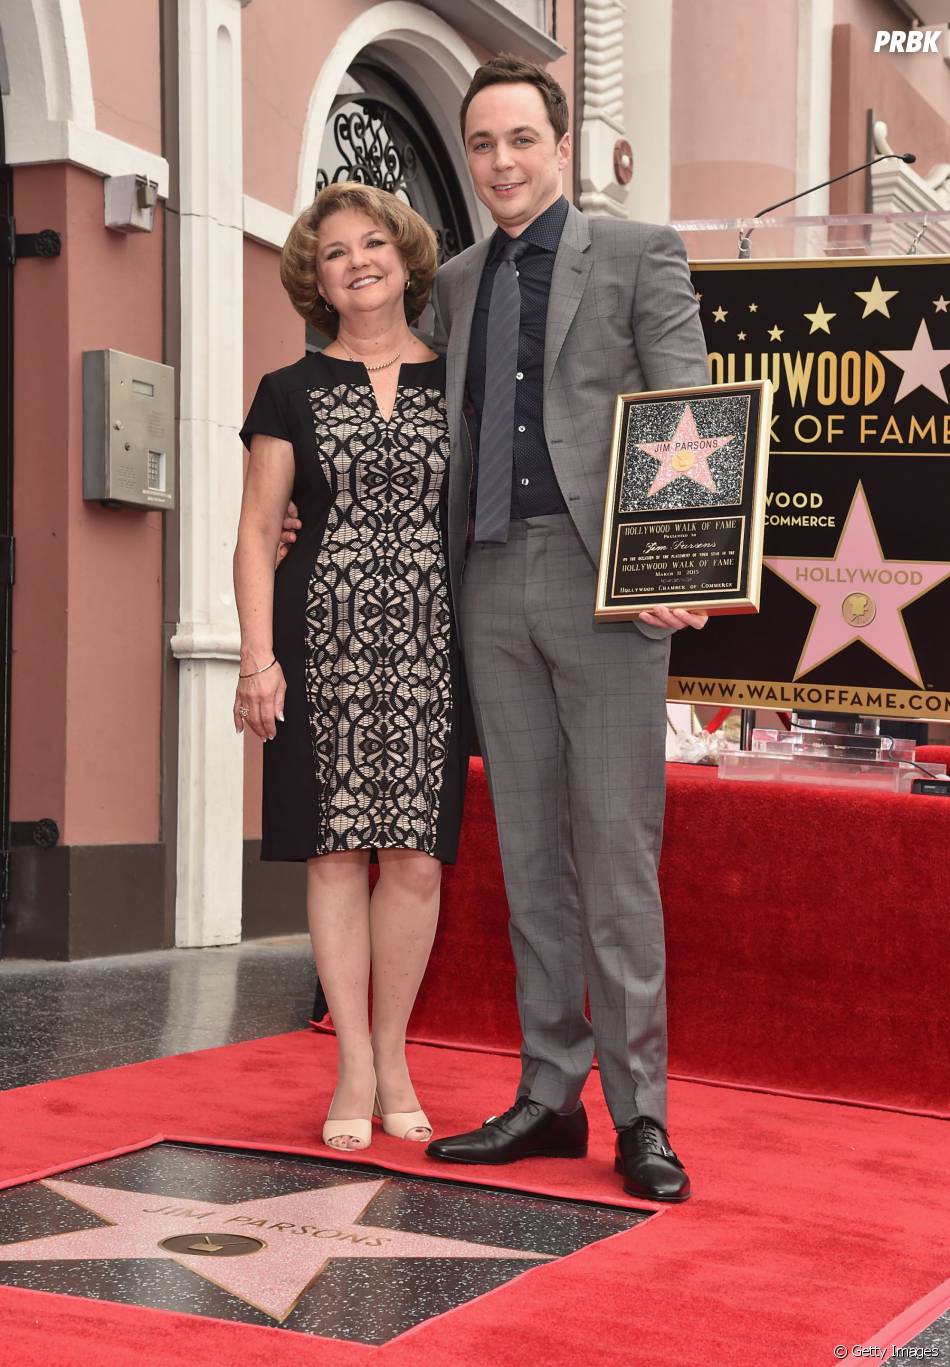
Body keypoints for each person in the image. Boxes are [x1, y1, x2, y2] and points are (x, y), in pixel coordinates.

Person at [280, 56, 709, 1202]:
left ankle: (642, 1115)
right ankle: (547, 1095)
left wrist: (674, 554)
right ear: (467, 157)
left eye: (520, 139)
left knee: (612, 853)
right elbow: (394, 402)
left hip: (604, 585)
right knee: (526, 852)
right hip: (482, 581)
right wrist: (299, 510)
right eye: (482, 144)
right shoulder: (456, 282)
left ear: (558, 146)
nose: (502, 161)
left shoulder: (635, 252)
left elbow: (683, 405)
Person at [234, 183, 469, 1154]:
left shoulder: (458, 381)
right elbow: (254, 529)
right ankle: (353, 1068)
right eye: (334, 251)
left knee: (414, 857)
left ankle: (396, 1053)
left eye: (373, 242)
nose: (357, 260)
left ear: (407, 259)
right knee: (334, 853)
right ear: (315, 278)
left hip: (431, 647)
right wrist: (256, 657)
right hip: (317, 643)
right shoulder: (288, 390)